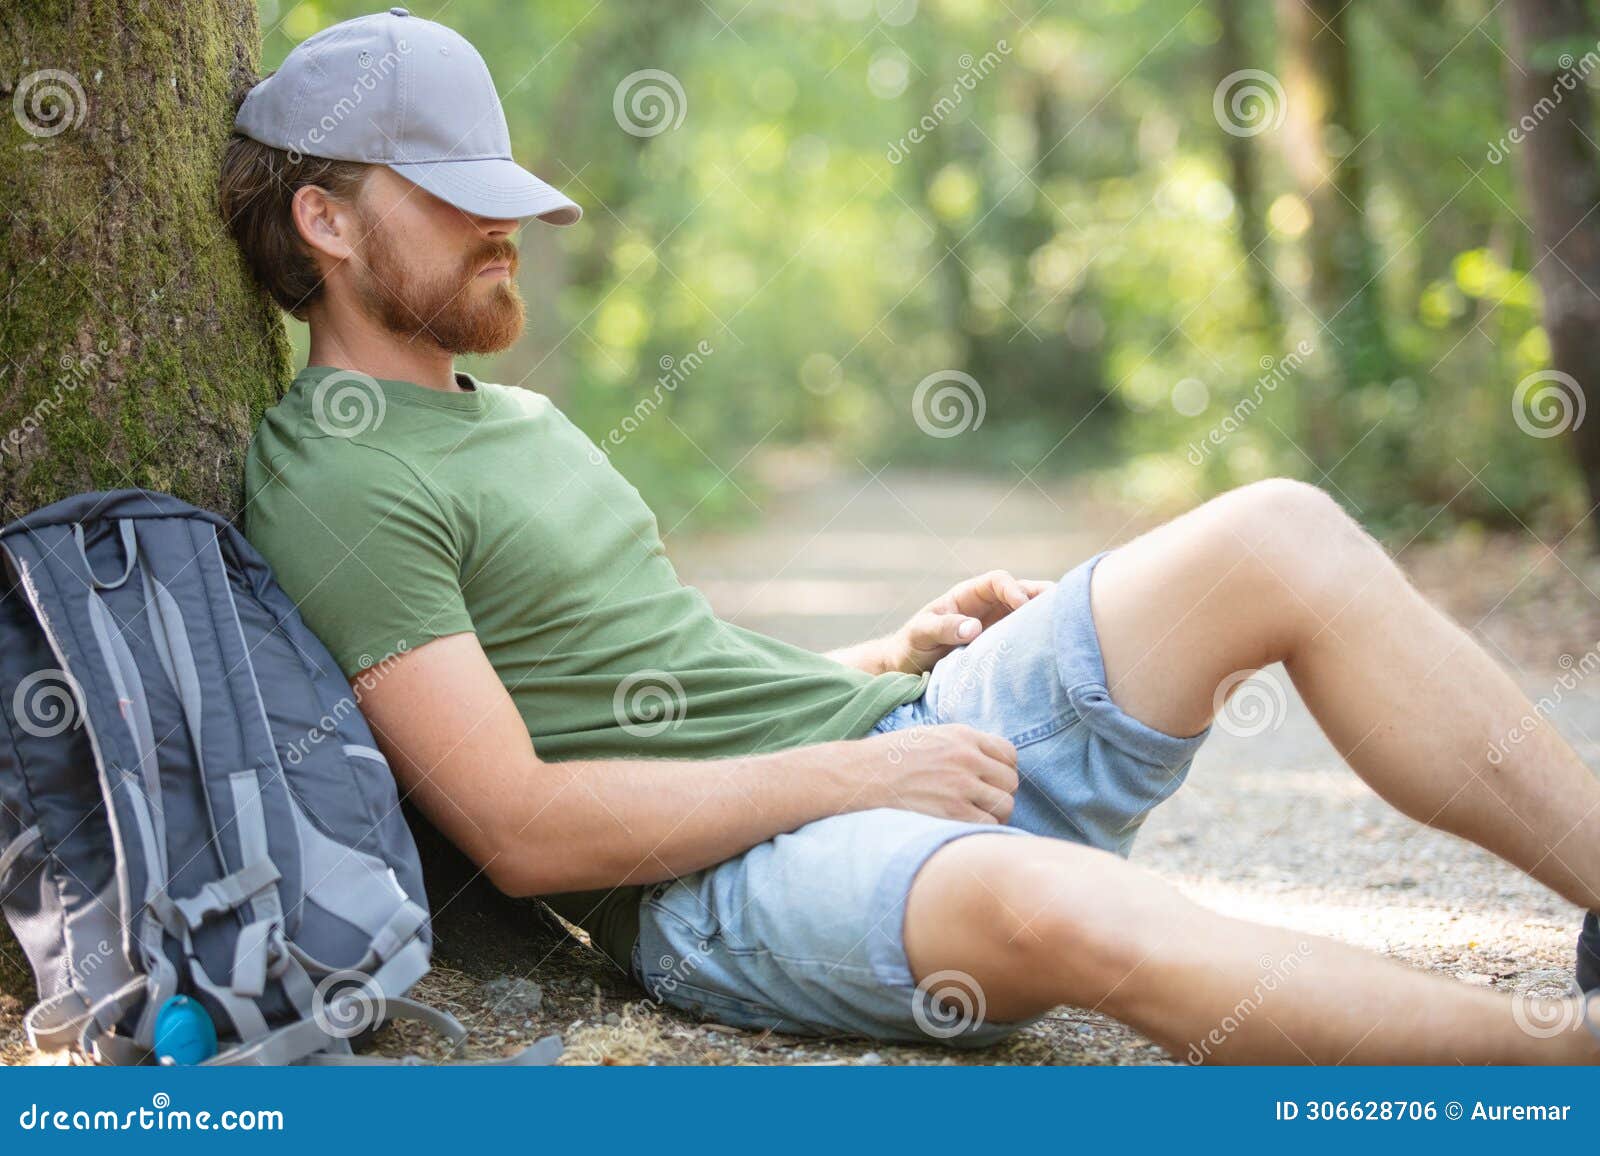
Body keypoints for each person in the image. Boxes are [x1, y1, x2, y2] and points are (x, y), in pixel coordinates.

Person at [229, 10, 1599, 1063]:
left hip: (900, 742)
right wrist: (857, 777)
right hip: (723, 886)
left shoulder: (514, 418)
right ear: (325, 219)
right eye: (454, 193)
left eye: (504, 187)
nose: (507, 223)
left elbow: (663, 680)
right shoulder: (338, 477)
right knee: (1061, 911)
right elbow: (521, 829)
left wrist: (889, 657)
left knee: (1280, 533)